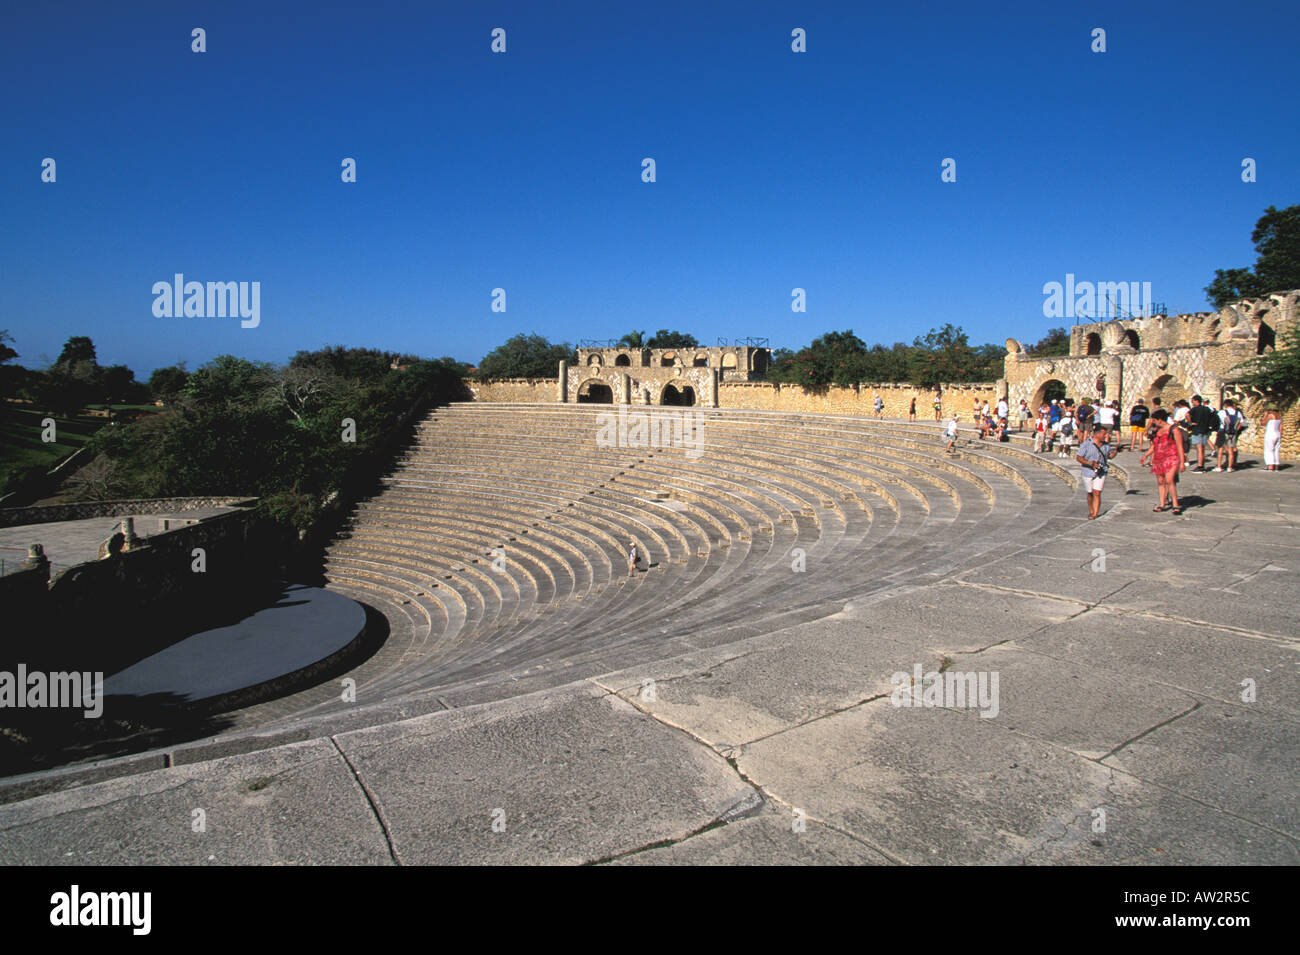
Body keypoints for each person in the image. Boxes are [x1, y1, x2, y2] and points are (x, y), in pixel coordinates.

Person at [1141, 409, 1186, 514]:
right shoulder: (1157, 431)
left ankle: (1175, 504)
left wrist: (1182, 462)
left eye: (1154, 420)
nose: (1153, 422)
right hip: (1159, 458)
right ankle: (1162, 504)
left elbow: (1180, 447)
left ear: (1160, 420)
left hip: (1172, 457)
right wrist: (1146, 456)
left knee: (1170, 480)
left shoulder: (1174, 430)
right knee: (1161, 482)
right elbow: (1154, 446)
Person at [1076, 426, 1117, 520]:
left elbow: (1110, 456)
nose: (1106, 436)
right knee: (1090, 492)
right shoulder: (1086, 444)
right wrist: (1090, 463)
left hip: (1101, 472)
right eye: (1104, 434)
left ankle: (1095, 513)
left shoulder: (1106, 446)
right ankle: (1091, 509)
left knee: (1097, 492)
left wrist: (1116, 451)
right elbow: (1078, 458)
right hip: (1088, 471)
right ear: (1097, 434)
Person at [1214, 399, 1246, 472]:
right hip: (1233, 433)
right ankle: (1230, 467)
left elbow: (1217, 420)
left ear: (1225, 405)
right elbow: (1242, 422)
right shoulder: (1238, 413)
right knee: (1231, 449)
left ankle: (1219, 466)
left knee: (1221, 449)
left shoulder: (1222, 412)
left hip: (1223, 431)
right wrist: (1236, 429)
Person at [1186, 395, 1217, 471]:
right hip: (1205, 430)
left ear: (1196, 401)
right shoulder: (1207, 409)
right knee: (1202, 449)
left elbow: (1187, 414)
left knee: (1199, 449)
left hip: (1197, 430)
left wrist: (1190, 423)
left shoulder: (1195, 409)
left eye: (1192, 401)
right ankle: (1202, 464)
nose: (1192, 403)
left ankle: (1200, 466)